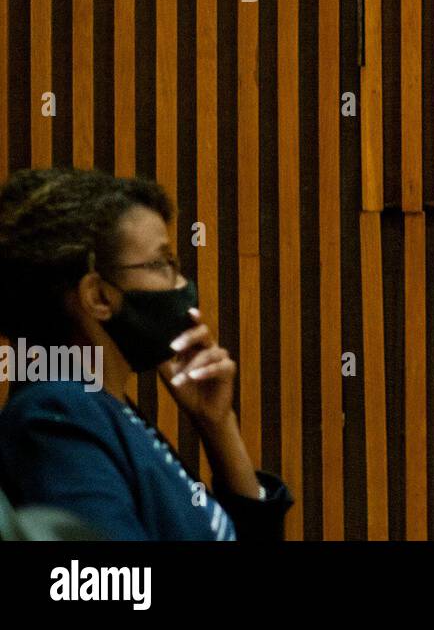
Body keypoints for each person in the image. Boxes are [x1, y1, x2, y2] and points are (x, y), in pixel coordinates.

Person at [0, 167, 293, 540]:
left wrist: (217, 424)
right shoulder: (58, 416)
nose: (182, 284)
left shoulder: (107, 409)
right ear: (98, 296)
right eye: (161, 265)